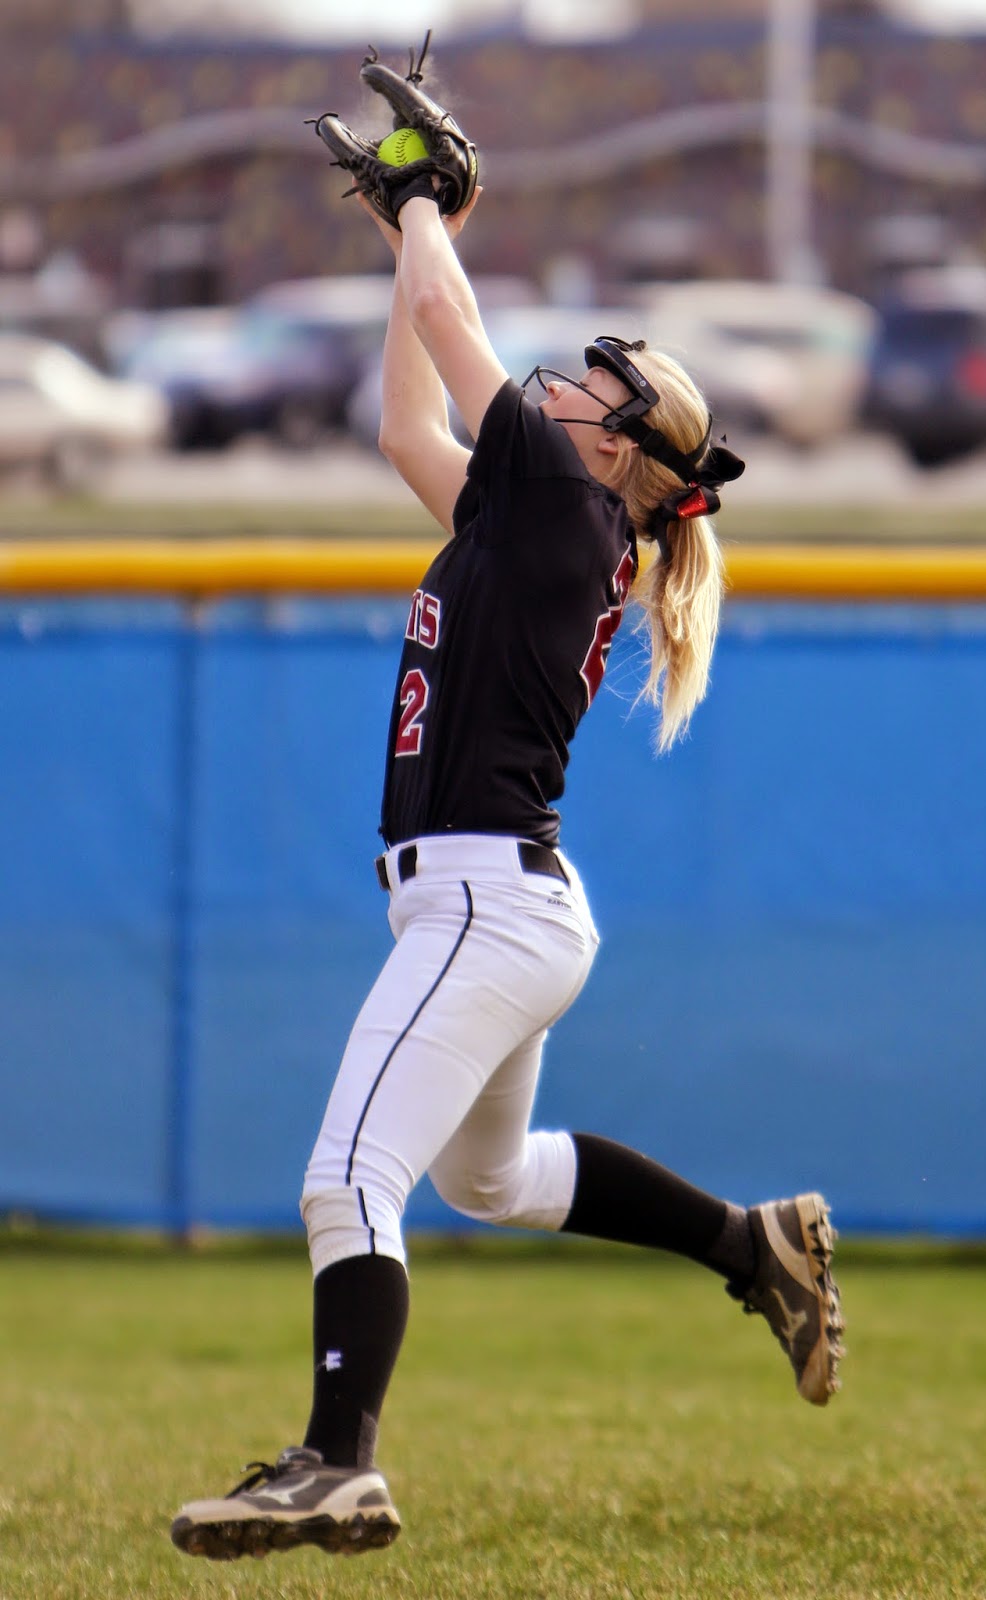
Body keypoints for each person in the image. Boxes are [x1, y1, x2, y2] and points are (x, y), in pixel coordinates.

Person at [170, 177, 844, 1566]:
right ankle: (748, 1243)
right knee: (489, 1181)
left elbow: (437, 307)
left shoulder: (559, 493)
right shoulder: (540, 510)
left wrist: (424, 217)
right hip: (500, 903)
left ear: (623, 444)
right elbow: (403, 417)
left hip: (482, 901)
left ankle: (336, 1464)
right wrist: (417, 233)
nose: (568, 387)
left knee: (350, 1178)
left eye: (599, 384)